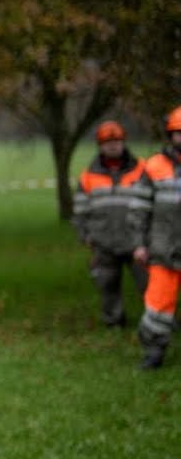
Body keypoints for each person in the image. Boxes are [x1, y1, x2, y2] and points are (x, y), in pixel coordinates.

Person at [71, 121, 150, 328]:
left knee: (150, 285)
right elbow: (80, 210)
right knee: (107, 286)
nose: (113, 146)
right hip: (103, 243)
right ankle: (114, 322)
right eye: (107, 142)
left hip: (137, 243)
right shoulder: (88, 176)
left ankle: (155, 323)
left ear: (123, 142)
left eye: (116, 141)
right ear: (100, 145)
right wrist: (85, 235)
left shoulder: (143, 170)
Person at [138, 106, 181, 369]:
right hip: (164, 250)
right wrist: (138, 244)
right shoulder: (154, 166)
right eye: (179, 133)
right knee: (158, 306)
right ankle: (154, 352)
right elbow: (138, 209)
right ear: (170, 135)